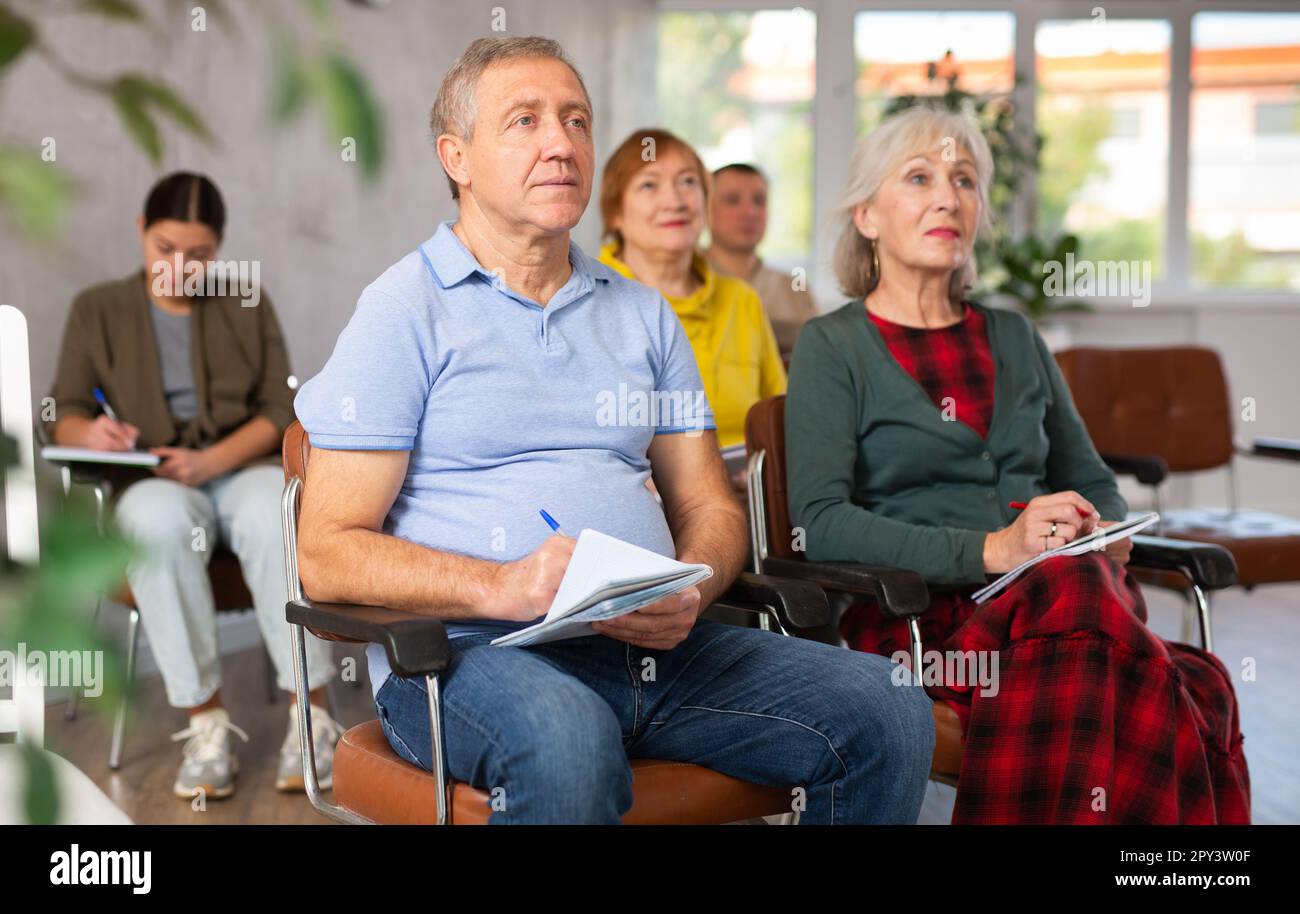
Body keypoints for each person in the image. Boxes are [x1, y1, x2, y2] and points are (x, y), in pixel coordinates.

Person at [292, 37, 934, 824]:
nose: (561, 143)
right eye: (524, 121)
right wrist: (500, 585)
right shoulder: (402, 310)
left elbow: (713, 508)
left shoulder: (641, 315)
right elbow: (324, 552)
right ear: (456, 157)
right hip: (471, 659)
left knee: (889, 708)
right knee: (567, 736)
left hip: (660, 652)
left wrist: (695, 583)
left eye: (576, 121)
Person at [785, 106, 1250, 824]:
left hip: (1068, 611)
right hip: (928, 623)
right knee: (1191, 682)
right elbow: (820, 526)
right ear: (867, 216)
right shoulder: (833, 346)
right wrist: (995, 550)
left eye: (964, 180)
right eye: (920, 177)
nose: (948, 196)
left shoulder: (1014, 335)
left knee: (1076, 589)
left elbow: (1090, 477)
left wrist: (1107, 526)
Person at [46, 172, 340, 801]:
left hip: (239, 472)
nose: (180, 267)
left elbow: (277, 411)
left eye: (199, 255)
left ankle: (310, 717)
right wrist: (90, 432)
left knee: (273, 512)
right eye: (164, 249)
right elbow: (65, 406)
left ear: (220, 246)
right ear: (140, 233)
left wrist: (210, 464)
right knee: (154, 524)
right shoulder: (96, 309)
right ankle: (204, 724)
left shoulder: (246, 302)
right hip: (151, 482)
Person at [597, 130, 786, 450]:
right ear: (616, 213)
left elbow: (781, 418)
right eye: (649, 185)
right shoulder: (588, 300)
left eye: (688, 182)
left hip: (745, 490)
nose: (674, 201)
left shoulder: (741, 300)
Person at [706, 163, 817, 354]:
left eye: (759, 201)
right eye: (732, 200)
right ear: (705, 209)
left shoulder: (795, 288)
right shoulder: (682, 280)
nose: (750, 212)